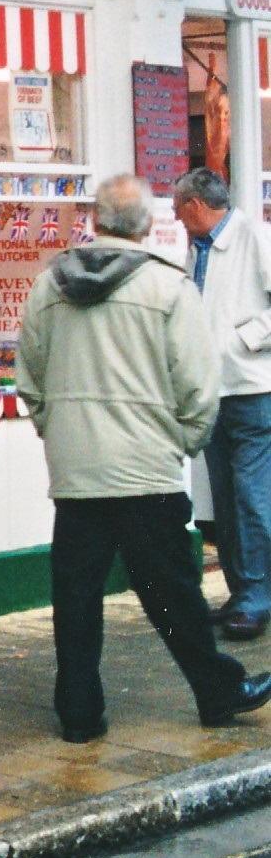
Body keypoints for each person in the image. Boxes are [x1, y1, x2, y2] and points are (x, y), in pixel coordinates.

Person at [16, 174, 271, 742]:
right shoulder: (167, 287)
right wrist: (183, 441)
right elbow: (200, 384)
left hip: (78, 475)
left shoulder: (48, 286)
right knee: (172, 592)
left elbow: (28, 379)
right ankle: (216, 689)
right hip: (149, 470)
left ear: (96, 221)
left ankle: (79, 711)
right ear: (146, 226)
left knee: (76, 597)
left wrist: (55, 433)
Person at [171, 168, 271, 640]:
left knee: (252, 498)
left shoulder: (256, 237)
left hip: (253, 390)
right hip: (213, 391)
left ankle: (255, 597)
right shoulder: (197, 249)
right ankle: (242, 591)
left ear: (195, 205)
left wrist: (243, 340)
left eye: (177, 209)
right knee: (227, 502)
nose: (175, 217)